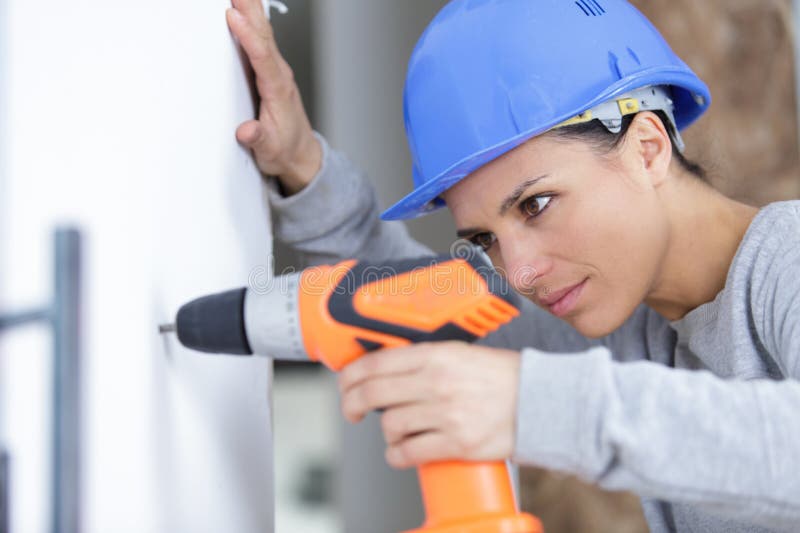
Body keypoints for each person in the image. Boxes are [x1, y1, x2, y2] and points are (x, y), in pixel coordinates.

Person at [225, 0, 800, 531]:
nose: (519, 273)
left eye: (536, 204)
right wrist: (302, 161)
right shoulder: (634, 327)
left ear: (647, 148)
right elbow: (408, 301)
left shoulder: (787, 258)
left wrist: (535, 403)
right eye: (484, 238)